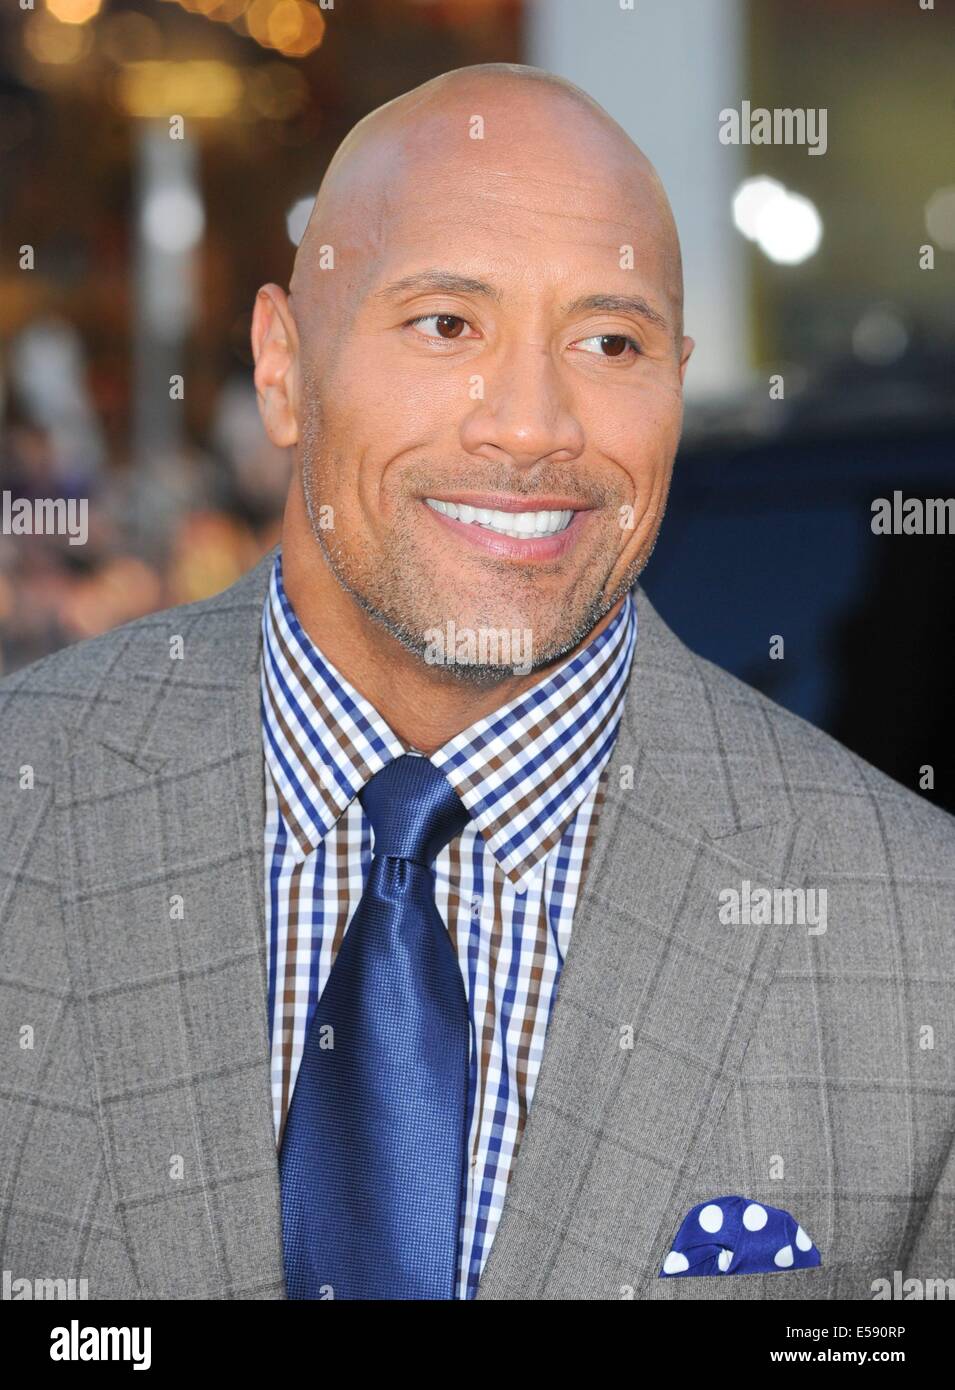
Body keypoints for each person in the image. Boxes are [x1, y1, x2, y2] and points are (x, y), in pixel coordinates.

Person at [1, 64, 953, 1302]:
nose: (529, 424)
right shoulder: (28, 808)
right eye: (446, 322)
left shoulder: (915, 934)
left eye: (610, 340)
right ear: (283, 368)